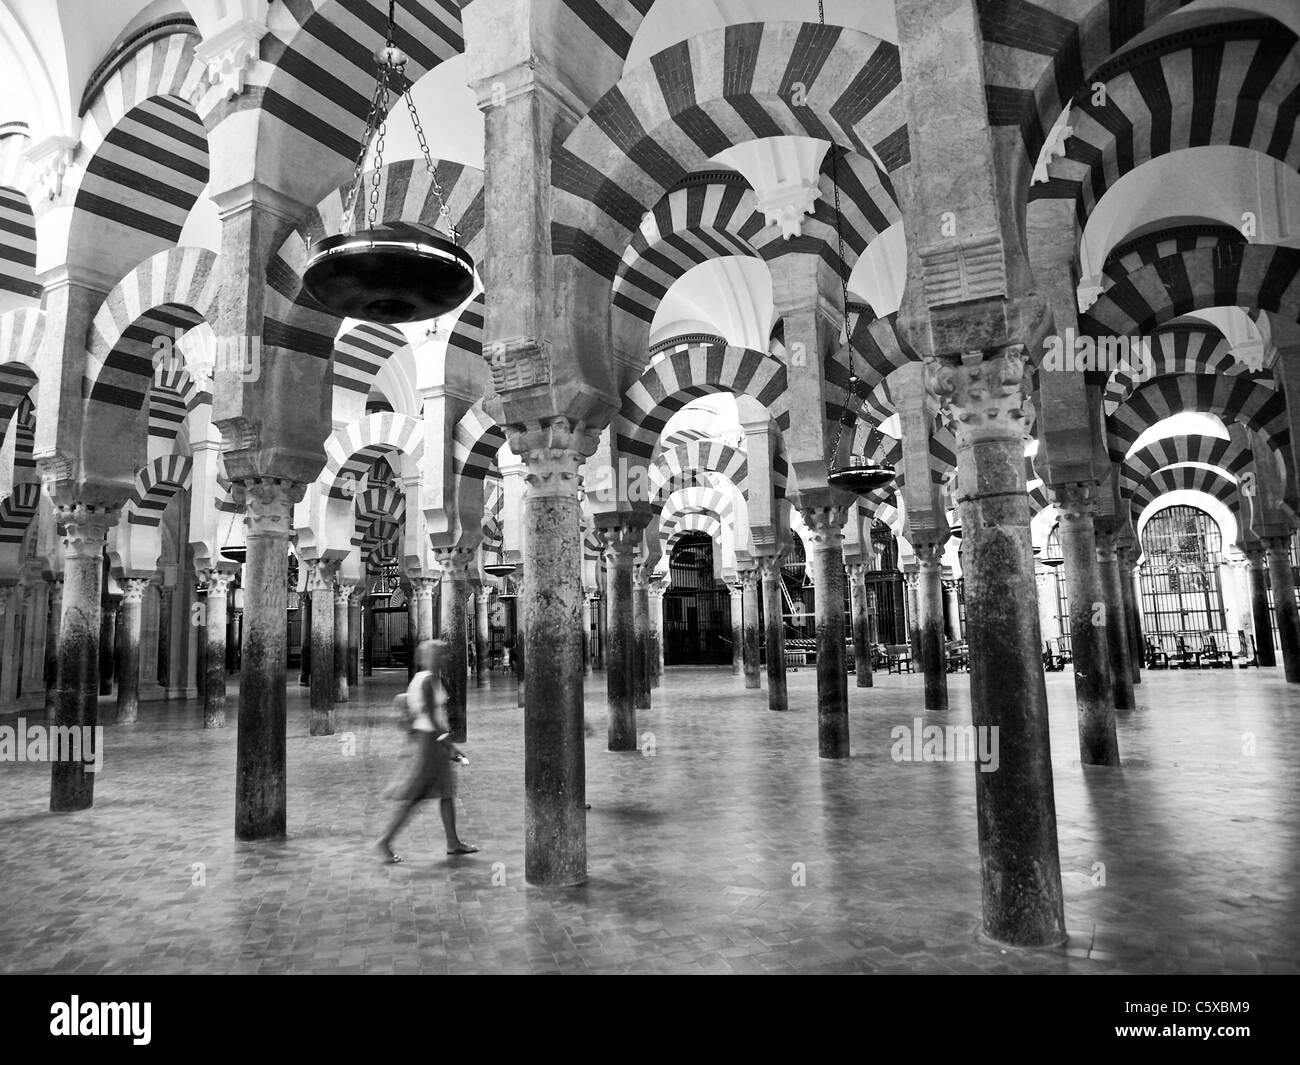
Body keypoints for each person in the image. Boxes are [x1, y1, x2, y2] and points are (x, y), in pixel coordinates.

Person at [377, 639, 477, 863]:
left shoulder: (420, 679)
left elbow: (407, 708)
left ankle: (453, 842)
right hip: (431, 746)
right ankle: (385, 841)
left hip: (428, 743)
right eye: (441, 654)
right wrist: (448, 746)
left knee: (446, 792)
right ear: (431, 657)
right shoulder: (428, 681)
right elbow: (432, 719)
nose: (446, 658)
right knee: (415, 798)